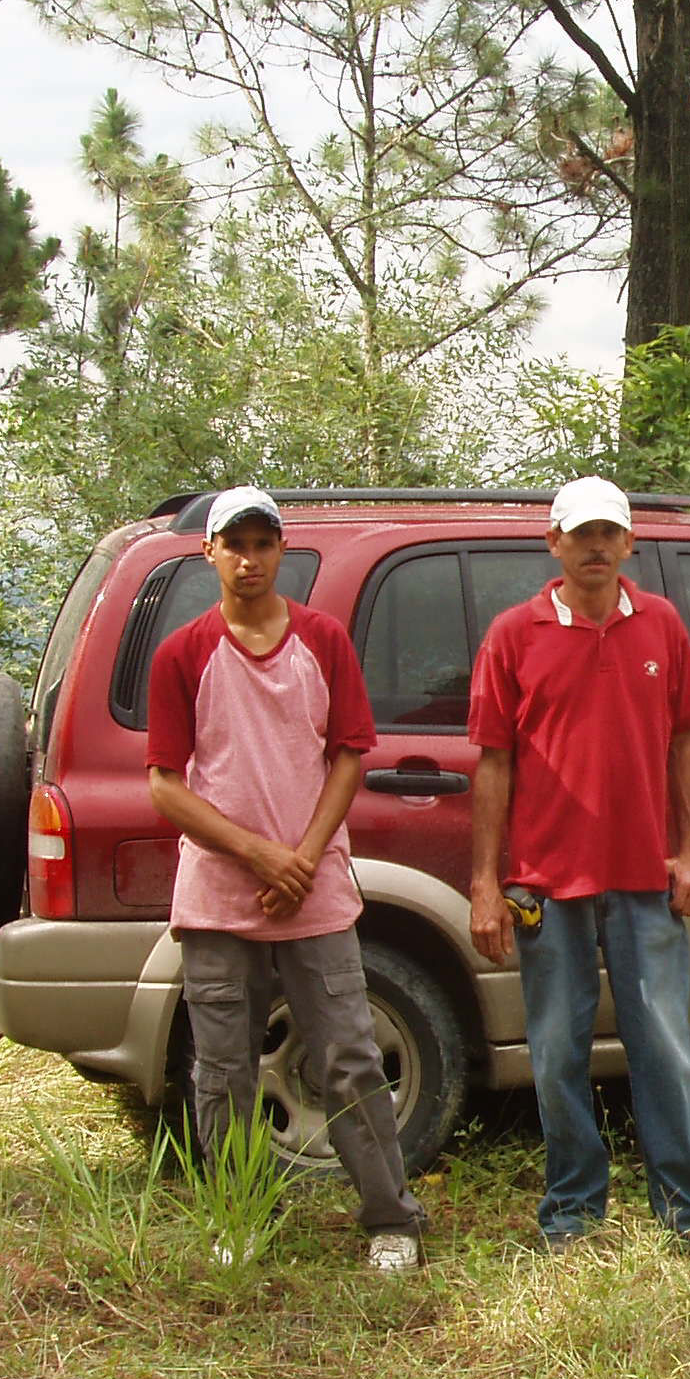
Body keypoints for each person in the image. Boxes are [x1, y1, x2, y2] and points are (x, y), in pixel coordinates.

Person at [147, 485, 427, 1272]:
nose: (248, 558)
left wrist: (300, 857)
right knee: (223, 1067)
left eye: (262, 543)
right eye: (232, 544)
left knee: (350, 1056)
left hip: (317, 890)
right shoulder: (185, 652)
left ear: (281, 550)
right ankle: (236, 1214)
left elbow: (348, 753)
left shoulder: (322, 640)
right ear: (209, 554)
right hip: (218, 895)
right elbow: (166, 784)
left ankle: (391, 1221)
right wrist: (260, 856)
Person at [467, 477, 690, 1251]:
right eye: (579, 534)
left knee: (669, 1052)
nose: (594, 547)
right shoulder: (513, 634)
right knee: (556, 1055)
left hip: (645, 877)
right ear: (552, 543)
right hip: (544, 884)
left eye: (607, 534)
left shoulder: (661, 625)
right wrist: (486, 884)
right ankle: (573, 1212)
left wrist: (689, 851)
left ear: (628, 544)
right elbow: (492, 763)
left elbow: (685, 741)